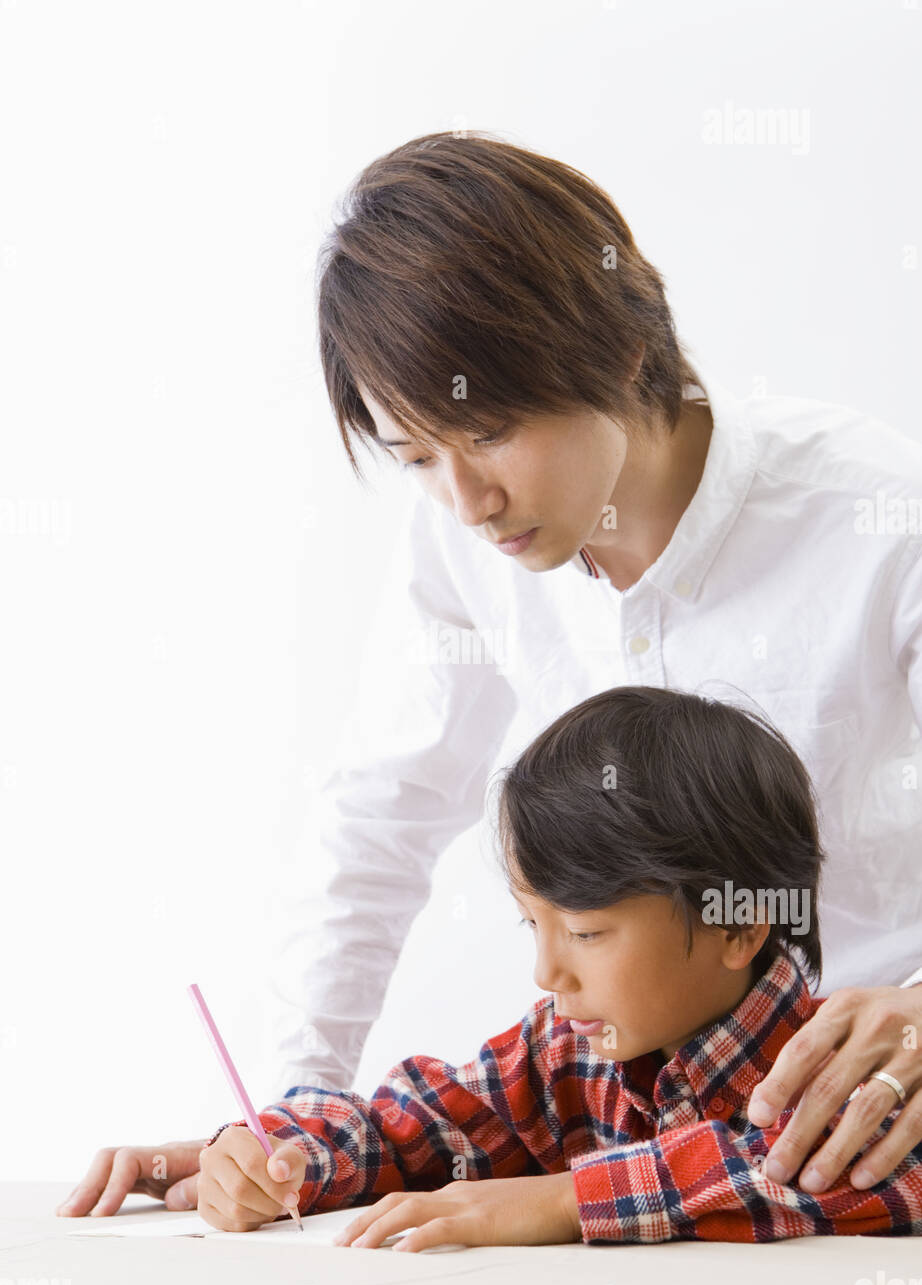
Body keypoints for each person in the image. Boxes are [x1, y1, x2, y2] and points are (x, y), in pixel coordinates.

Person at [55, 130, 922, 1221]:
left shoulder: (878, 518)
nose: (465, 503)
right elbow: (381, 813)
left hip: (857, 1143)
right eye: (417, 458)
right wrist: (291, 1125)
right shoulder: (466, 547)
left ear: (613, 353)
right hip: (628, 1122)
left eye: (487, 432)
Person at [195, 687, 922, 1245]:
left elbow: (795, 1174)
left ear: (738, 923)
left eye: (584, 930)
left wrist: (560, 1200)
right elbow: (410, 1128)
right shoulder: (564, 1050)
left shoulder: (861, 1068)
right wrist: (286, 1153)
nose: (548, 972)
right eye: (532, 924)